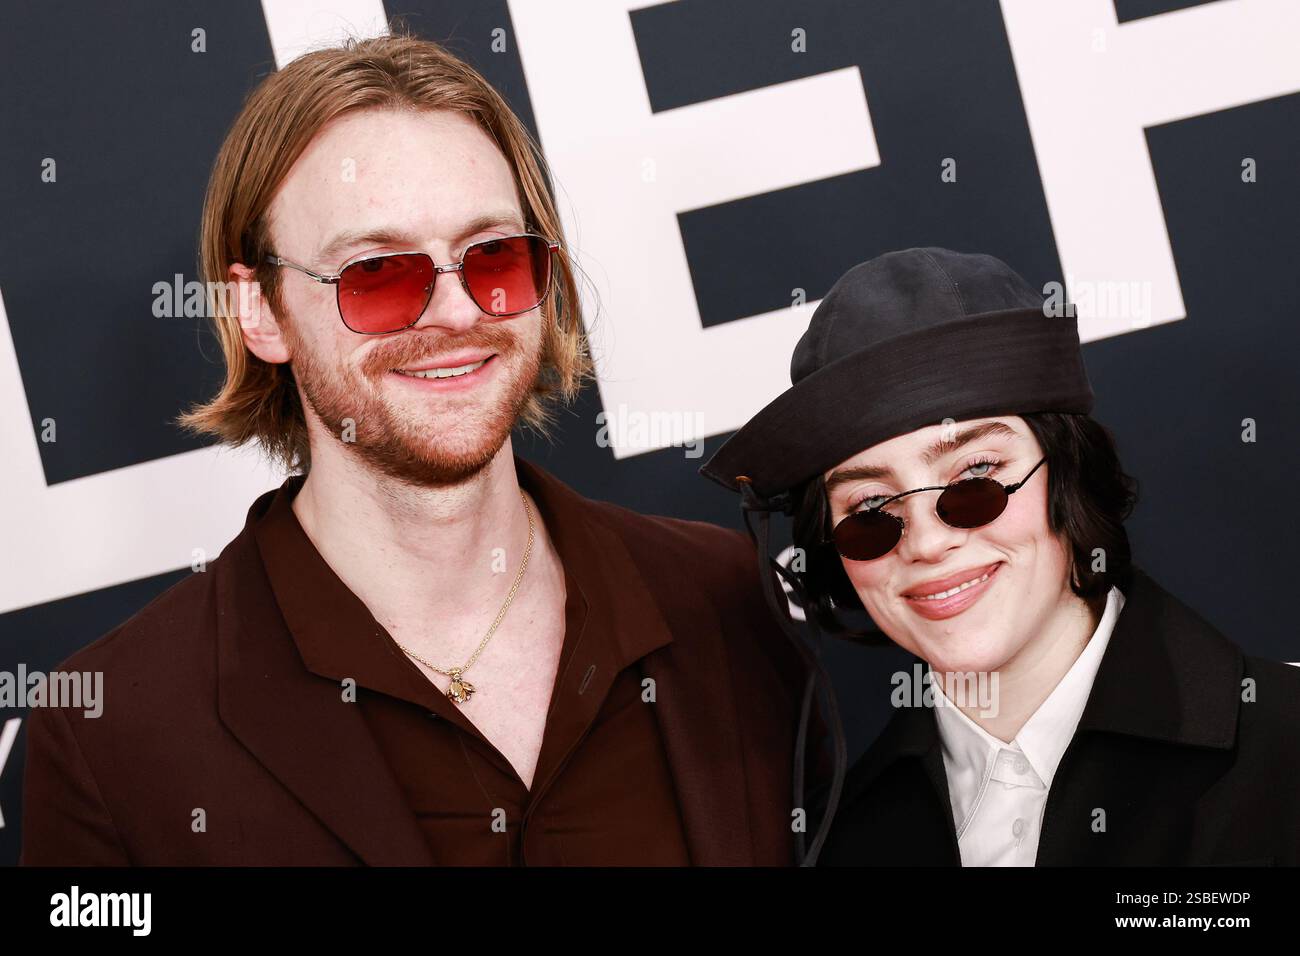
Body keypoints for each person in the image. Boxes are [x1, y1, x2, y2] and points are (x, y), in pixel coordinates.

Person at [19, 32, 820, 866]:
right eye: (377, 273)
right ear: (259, 313)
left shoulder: (729, 603)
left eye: (494, 257)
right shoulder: (111, 734)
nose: (456, 313)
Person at [702, 247, 1300, 865]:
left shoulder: (1282, 746)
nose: (928, 543)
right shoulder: (836, 843)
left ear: (1068, 473)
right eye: (871, 511)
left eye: (974, 478)